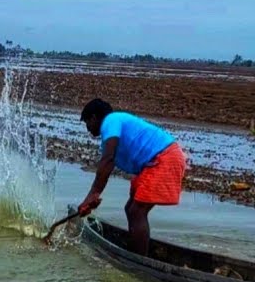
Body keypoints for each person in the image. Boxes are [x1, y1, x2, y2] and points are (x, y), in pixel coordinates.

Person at [77, 99, 187, 256]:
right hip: (154, 163)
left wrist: (93, 194)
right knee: (130, 208)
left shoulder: (111, 121)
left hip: (164, 159)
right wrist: (93, 198)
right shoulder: (112, 128)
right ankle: (136, 248)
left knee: (137, 211)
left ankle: (140, 259)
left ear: (94, 117)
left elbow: (107, 160)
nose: (88, 128)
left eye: (87, 122)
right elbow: (107, 168)